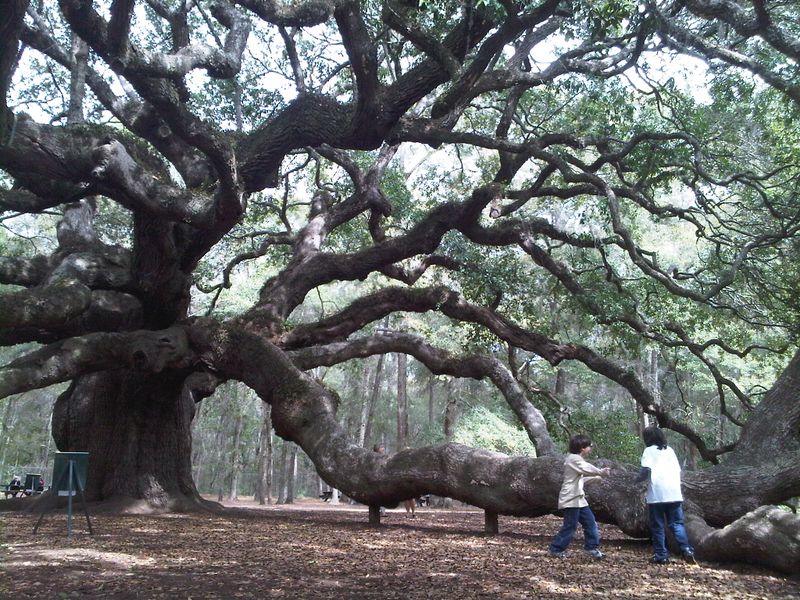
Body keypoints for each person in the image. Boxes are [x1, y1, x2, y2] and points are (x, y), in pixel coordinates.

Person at [637, 425, 696, 565]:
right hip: (674, 493)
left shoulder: (649, 451)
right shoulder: (669, 450)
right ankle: (686, 549)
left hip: (657, 494)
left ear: (648, 438)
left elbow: (646, 470)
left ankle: (661, 555)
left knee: (657, 525)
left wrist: (636, 480)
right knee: (677, 524)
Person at [548, 434, 610, 559]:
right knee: (570, 526)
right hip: (571, 498)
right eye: (589, 446)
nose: (591, 448)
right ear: (582, 448)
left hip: (579, 499)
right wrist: (600, 471)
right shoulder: (574, 459)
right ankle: (555, 549)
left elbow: (580, 479)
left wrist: (596, 478)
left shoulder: (575, 460)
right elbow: (585, 468)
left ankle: (591, 548)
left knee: (590, 522)